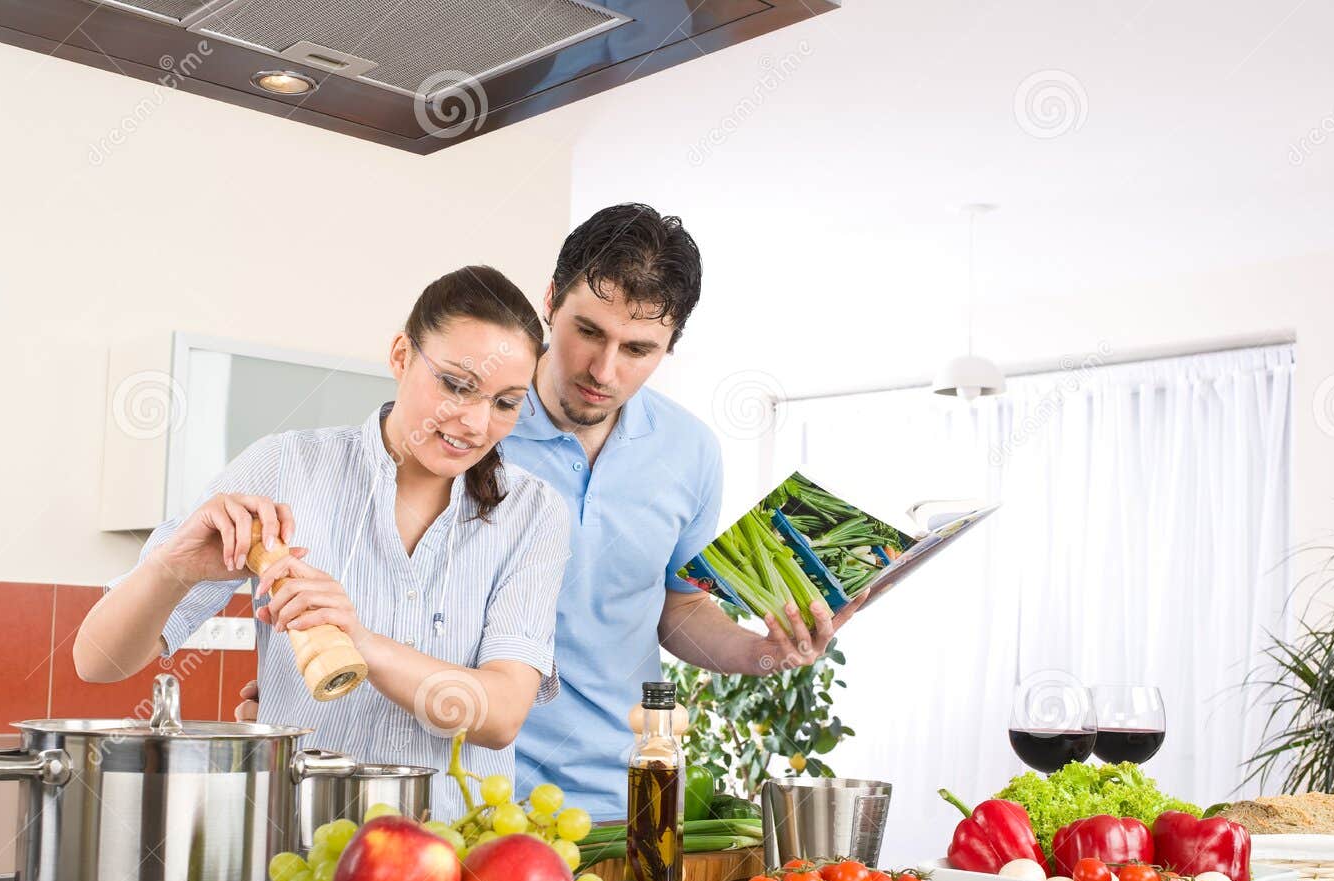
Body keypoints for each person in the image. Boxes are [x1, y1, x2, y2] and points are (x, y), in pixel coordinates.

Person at [237, 207, 867, 819]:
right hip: (470, 791)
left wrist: (763, 652)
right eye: (588, 331)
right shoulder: (465, 434)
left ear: (671, 346)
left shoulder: (690, 451)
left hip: (620, 791)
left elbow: (677, 608)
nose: (604, 369)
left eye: (639, 348)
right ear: (550, 302)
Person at [74, 267, 569, 817]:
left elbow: (500, 716)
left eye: (505, 402)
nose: (476, 422)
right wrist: (174, 569)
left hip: (454, 860)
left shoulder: (533, 513)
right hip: (296, 849)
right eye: (456, 384)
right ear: (402, 356)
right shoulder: (285, 467)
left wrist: (361, 640)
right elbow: (96, 661)